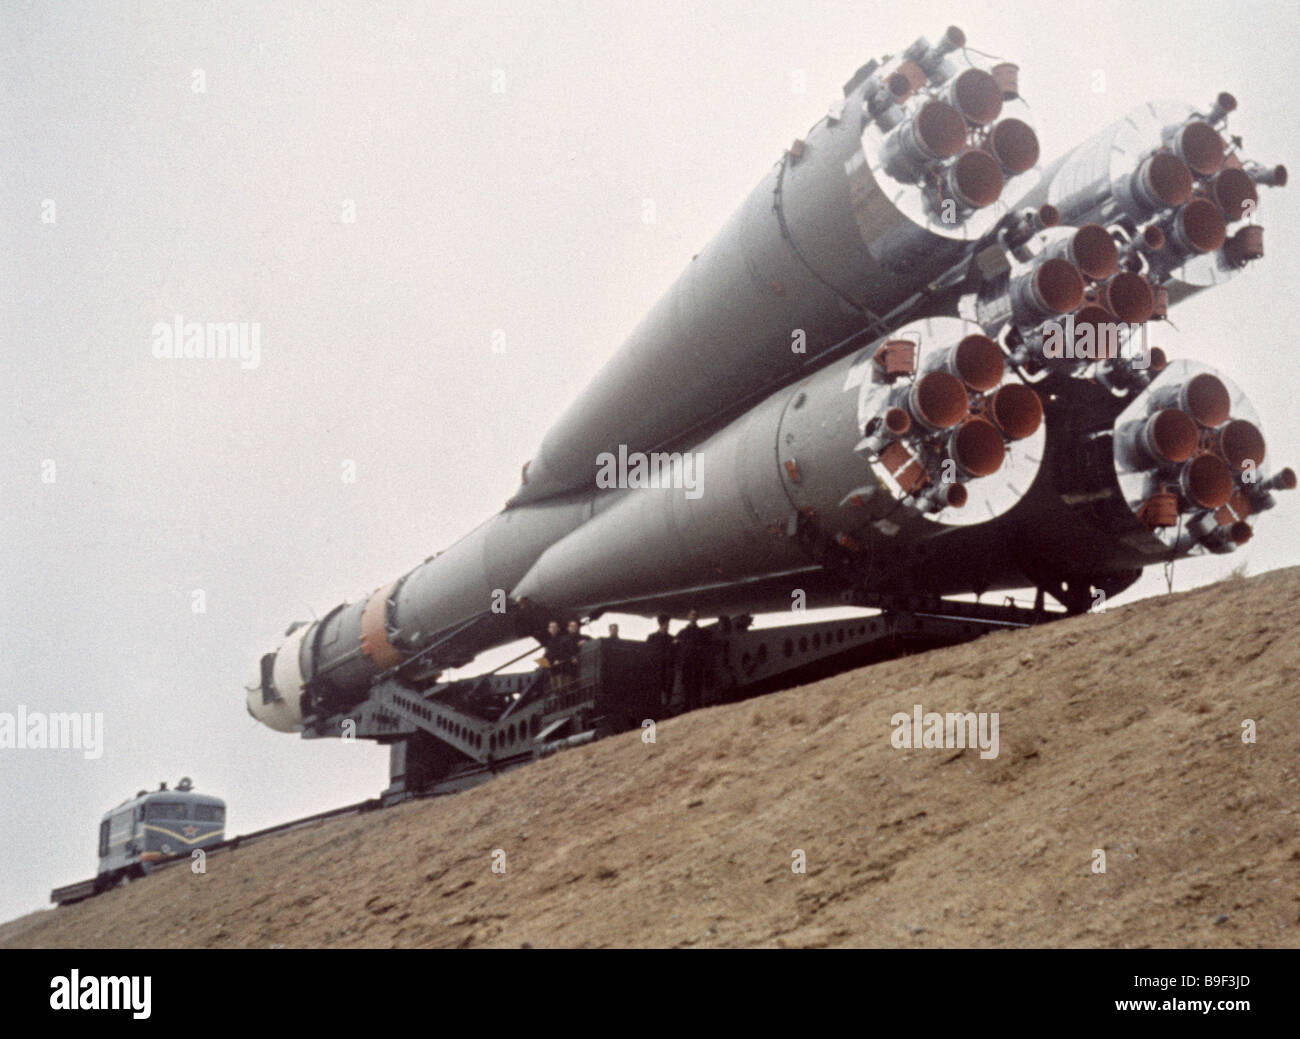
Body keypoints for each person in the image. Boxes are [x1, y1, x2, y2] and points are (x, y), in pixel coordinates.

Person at [675, 608, 711, 711]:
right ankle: (687, 706)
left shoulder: (702, 632)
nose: (693, 617)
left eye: (695, 615)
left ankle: (697, 705)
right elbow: (676, 646)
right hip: (686, 663)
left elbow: (707, 646)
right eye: (692, 615)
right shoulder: (682, 632)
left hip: (697, 663)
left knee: (697, 684)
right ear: (688, 616)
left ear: (697, 617)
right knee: (686, 684)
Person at [646, 615, 675, 710]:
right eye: (666, 624)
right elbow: (648, 653)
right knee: (656, 690)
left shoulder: (671, 638)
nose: (668, 626)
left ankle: (667, 709)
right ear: (662, 624)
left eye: (668, 624)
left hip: (668, 669)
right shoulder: (652, 638)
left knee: (668, 689)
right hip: (656, 669)